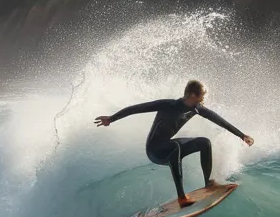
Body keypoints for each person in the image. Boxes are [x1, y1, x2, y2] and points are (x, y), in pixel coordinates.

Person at [95, 80, 254, 206]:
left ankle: (209, 184)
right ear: (192, 95)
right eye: (201, 96)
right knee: (174, 146)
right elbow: (136, 108)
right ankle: (181, 197)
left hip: (169, 147)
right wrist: (111, 118)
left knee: (204, 143)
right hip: (155, 151)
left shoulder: (197, 109)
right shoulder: (168, 105)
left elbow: (219, 120)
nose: (203, 99)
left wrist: (242, 135)